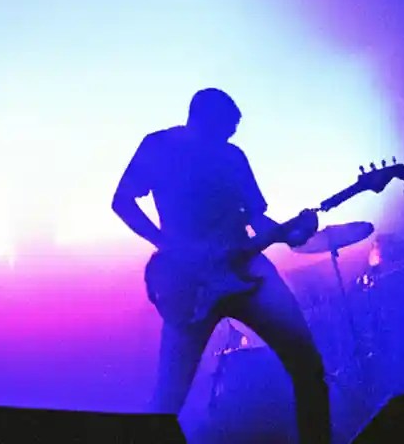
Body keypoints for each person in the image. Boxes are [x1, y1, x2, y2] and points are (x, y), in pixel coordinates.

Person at [111, 88, 330, 444]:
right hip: (190, 284)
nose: (230, 136)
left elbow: (256, 217)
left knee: (308, 369)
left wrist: (291, 234)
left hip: (247, 272)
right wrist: (167, 244)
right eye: (226, 128)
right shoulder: (159, 146)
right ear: (204, 118)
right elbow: (121, 201)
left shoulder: (233, 157)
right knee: (168, 399)